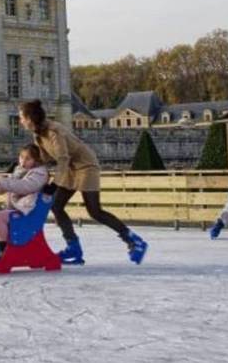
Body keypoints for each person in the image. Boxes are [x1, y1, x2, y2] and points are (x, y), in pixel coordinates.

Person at [19, 99, 147, 265]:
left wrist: (54, 184)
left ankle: (133, 240)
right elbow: (45, 159)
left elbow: (63, 158)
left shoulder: (53, 132)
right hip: (70, 167)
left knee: (94, 211)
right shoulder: (38, 135)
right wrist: (24, 167)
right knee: (56, 206)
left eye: (22, 118)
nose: (20, 121)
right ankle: (73, 247)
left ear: (30, 119)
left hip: (86, 165)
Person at [0, 144, 49, 262]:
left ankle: (4, 251)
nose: (23, 161)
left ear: (36, 160)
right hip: (13, 208)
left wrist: (0, 181)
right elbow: (2, 188)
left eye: (28, 159)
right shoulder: (18, 171)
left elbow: (23, 186)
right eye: (21, 157)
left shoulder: (39, 174)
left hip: (26, 211)